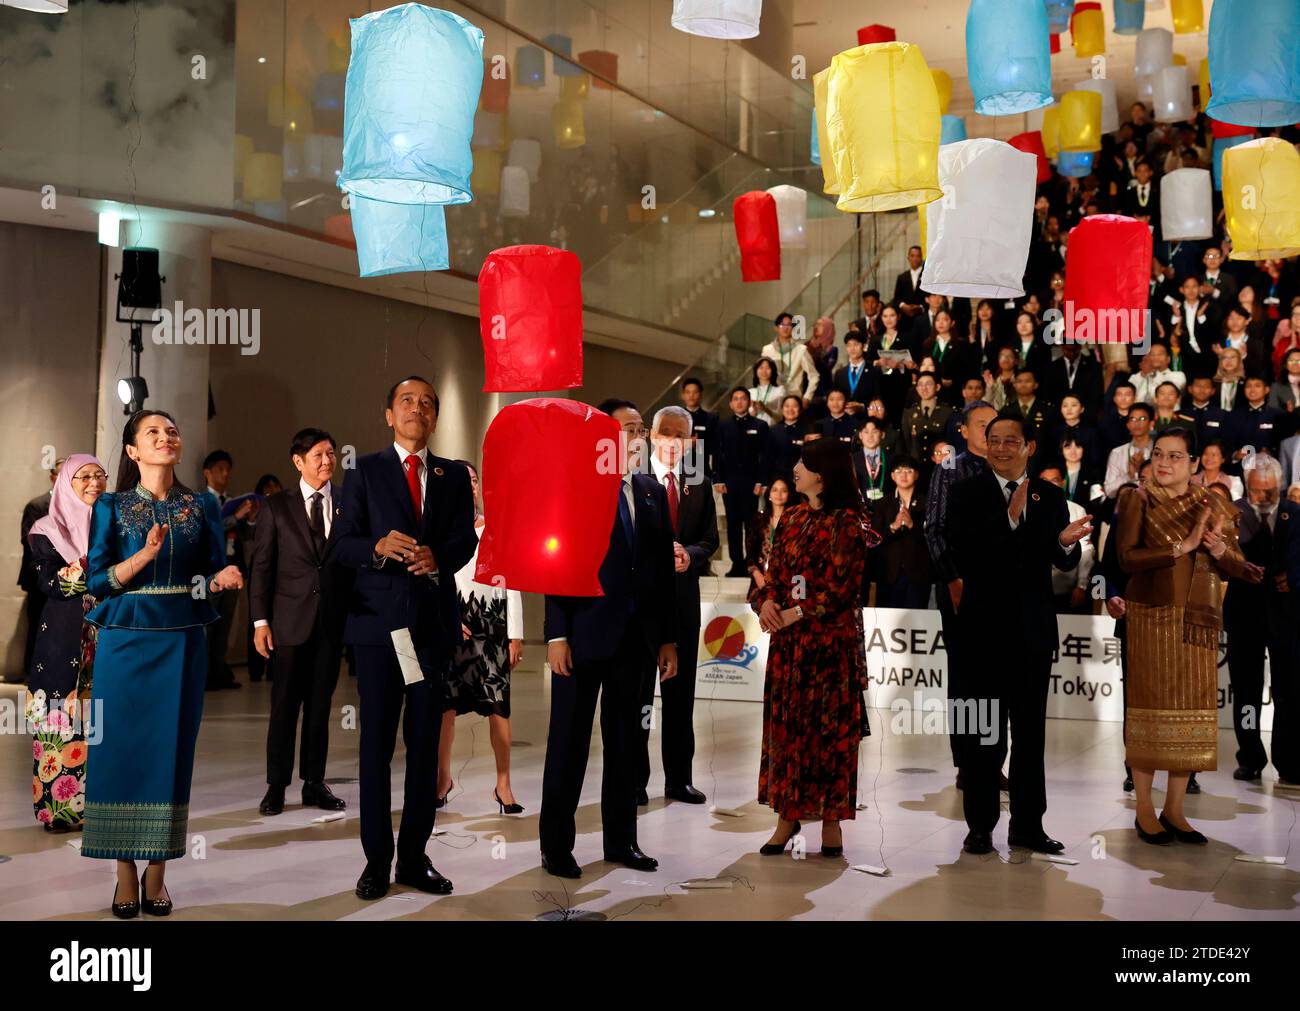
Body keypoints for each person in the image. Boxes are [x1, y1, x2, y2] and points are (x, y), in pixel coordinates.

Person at [83, 410, 244, 917]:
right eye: (152, 432)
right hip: (125, 638)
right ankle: (123, 872)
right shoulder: (111, 505)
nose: (165, 437)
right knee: (119, 753)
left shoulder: (201, 506)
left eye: (172, 430)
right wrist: (141, 560)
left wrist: (224, 576)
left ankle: (157, 872)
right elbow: (95, 581)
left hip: (181, 641)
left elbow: (213, 568)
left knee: (170, 752)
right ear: (132, 451)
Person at [333, 376, 477, 901]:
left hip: (431, 631)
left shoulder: (453, 475)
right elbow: (341, 544)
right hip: (380, 629)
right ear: (389, 415)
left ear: (435, 417)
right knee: (375, 748)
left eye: (427, 403)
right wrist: (377, 547)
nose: (418, 408)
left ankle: (414, 857)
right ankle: (377, 859)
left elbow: (464, 539)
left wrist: (439, 555)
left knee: (423, 747)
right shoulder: (365, 471)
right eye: (407, 401)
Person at [542, 401, 677, 878]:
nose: (636, 436)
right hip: (581, 638)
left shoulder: (649, 491)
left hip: (636, 643)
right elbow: (555, 564)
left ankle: (622, 841)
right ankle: (556, 847)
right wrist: (556, 633)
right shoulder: (574, 487)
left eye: (641, 429)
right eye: (628, 428)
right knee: (569, 745)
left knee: (626, 745)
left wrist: (666, 639)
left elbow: (661, 573)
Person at [947, 414, 1091, 855]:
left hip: (1032, 633)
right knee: (983, 734)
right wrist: (1009, 519)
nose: (1002, 448)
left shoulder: (1050, 496)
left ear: (1029, 446)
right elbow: (965, 554)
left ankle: (1028, 825)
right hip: (981, 633)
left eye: (1012, 441)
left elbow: (1063, 564)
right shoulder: (964, 493)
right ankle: (980, 825)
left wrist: (1065, 542)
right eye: (995, 440)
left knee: (1030, 737)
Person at [1117, 426, 1261, 845]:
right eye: (1159, 454)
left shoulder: (1214, 503)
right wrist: (1182, 547)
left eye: (1175, 456)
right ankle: (1144, 809)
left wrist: (1215, 549)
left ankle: (1175, 810)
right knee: (1150, 712)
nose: (1163, 463)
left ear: (1195, 463)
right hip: (1150, 616)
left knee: (1190, 714)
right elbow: (1126, 559)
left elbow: (1236, 564)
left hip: (1199, 620)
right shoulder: (1136, 498)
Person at [751, 438, 879, 858]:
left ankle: (831, 821)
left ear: (822, 473)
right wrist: (767, 602)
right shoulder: (789, 518)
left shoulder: (848, 522)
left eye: (803, 464)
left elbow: (842, 589)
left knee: (830, 736)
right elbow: (774, 574)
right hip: (789, 649)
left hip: (829, 649)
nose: (795, 469)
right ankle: (786, 817)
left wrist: (795, 613)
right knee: (789, 733)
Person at [250, 429, 353, 817]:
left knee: (320, 706)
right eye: (319, 455)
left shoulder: (346, 502)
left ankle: (314, 783)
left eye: (331, 454)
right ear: (298, 461)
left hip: (330, 625)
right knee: (284, 708)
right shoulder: (276, 507)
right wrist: (260, 621)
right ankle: (276, 785)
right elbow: (261, 569)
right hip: (288, 625)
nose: (327, 461)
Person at [637, 406, 719, 805]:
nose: (672, 441)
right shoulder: (633, 476)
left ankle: (679, 779)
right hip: (640, 601)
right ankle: (635, 781)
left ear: (690, 441)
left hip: (683, 600)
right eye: (665, 433)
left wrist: (689, 554)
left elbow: (710, 539)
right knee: (638, 696)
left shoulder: (699, 477)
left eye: (680, 435)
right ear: (652, 435)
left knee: (680, 695)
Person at [437, 460, 525, 813]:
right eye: (463, 479)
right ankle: (443, 778)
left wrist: (516, 633)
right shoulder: (440, 527)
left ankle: (503, 784)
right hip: (454, 621)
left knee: (498, 708)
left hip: (493, 625)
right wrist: (446, 618)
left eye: (473, 479)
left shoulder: (497, 527)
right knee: (446, 708)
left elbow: (513, 579)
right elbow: (436, 577)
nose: (469, 485)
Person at [26, 455, 106, 831]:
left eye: (99, 475)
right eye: (84, 476)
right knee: (59, 721)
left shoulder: (113, 523)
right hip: (62, 636)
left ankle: (102, 809)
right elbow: (54, 584)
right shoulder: (46, 529)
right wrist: (100, 568)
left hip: (107, 634)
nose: (94, 483)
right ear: (65, 482)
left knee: (101, 721)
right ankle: (58, 812)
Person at [925, 401, 998, 788]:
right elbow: (933, 529)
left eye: (995, 424)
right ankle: (968, 763)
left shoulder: (1009, 468)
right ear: (964, 432)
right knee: (967, 679)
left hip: (1001, 592)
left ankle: (991, 759)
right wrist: (953, 581)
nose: (990, 432)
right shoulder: (950, 468)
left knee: (997, 679)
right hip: (960, 589)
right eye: (982, 425)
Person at [1224, 454, 1290, 782]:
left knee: (1289, 691)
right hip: (1244, 614)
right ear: (1247, 487)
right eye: (1256, 491)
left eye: (1270, 491)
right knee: (1247, 694)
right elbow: (1220, 556)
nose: (1263, 498)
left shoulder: (1296, 515)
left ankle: (1290, 760)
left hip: (1288, 616)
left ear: (1279, 486)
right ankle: (1249, 756)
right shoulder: (1232, 513)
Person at [202, 449, 248, 691]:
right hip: (209, 573)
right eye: (220, 468)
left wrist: (248, 520)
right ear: (207, 472)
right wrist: (235, 518)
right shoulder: (201, 501)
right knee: (208, 624)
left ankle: (219, 671)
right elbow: (210, 530)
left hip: (232, 570)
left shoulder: (232, 502)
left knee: (225, 626)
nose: (225, 473)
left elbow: (242, 537)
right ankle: (205, 674)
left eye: (228, 468)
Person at [714, 387, 770, 578]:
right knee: (733, 524)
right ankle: (736, 564)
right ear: (730, 403)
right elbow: (718, 455)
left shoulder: (760, 425)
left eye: (743, 398)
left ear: (749, 402)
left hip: (751, 484)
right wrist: (718, 479)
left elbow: (765, 456)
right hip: (729, 483)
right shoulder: (723, 426)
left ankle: (752, 564)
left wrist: (761, 481)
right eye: (735, 399)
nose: (739, 402)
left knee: (751, 526)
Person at [18, 461, 60, 684]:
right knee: (35, 625)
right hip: (39, 577)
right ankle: (30, 673)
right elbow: (30, 541)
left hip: (66, 579)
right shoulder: (37, 505)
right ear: (52, 477)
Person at [870, 454, 931, 608]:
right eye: (899, 471)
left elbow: (933, 539)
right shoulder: (882, 504)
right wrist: (893, 527)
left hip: (919, 574)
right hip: (889, 574)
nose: (903, 475)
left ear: (916, 475)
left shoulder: (928, 503)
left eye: (909, 471)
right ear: (892, 476)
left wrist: (912, 525)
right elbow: (873, 540)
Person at [1039, 465, 1096, 614]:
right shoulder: (1027, 507)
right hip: (1034, 589)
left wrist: (1081, 585)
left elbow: (1086, 549)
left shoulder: (1077, 509)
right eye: (1045, 480)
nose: (1050, 485)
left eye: (1055, 480)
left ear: (1063, 482)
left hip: (1066, 589)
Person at [746, 478, 795, 595]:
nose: (779, 494)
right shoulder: (759, 519)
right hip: (760, 579)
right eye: (775, 490)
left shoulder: (794, 520)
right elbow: (750, 551)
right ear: (769, 494)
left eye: (783, 491)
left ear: (789, 494)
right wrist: (757, 575)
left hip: (786, 582)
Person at [760, 312, 819, 406]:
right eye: (782, 324)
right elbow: (761, 374)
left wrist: (807, 397)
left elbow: (814, 375)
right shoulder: (767, 350)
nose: (785, 328)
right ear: (776, 328)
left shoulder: (801, 349)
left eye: (789, 325)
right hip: (772, 399)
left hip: (794, 400)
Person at [1104, 403, 1155, 499]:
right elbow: (1109, 491)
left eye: (1142, 419)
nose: (1137, 423)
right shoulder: (1117, 453)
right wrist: (1128, 476)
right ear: (1128, 425)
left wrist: (1143, 471)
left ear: (1151, 424)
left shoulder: (1160, 452)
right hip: (1125, 507)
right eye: (1133, 419)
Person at [900, 373, 952, 466]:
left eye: (928, 384)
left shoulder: (947, 412)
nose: (924, 388)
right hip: (916, 465)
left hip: (940, 465)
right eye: (920, 385)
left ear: (937, 387)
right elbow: (907, 442)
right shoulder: (909, 412)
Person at [1043, 343, 1104, 420]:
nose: (1071, 353)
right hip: (1058, 417)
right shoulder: (1052, 367)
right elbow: (1048, 394)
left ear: (1080, 347)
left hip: (1086, 417)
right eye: (1068, 350)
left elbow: (1096, 393)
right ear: (1062, 347)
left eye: (1074, 350)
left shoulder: (1093, 366)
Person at [680, 377, 718, 479]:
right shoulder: (675, 417)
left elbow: (715, 445)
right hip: (680, 467)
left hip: (703, 468)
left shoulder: (710, 418)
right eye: (688, 392)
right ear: (683, 395)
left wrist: (699, 443)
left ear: (701, 395)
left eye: (695, 392)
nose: (691, 396)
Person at [768, 394, 808, 489]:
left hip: (801, 478)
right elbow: (768, 457)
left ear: (801, 409)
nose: (790, 409)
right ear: (782, 409)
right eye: (787, 406)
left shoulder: (807, 430)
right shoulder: (773, 430)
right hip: (777, 478)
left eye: (794, 406)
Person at [833, 331, 875, 418]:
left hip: (866, 419)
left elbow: (878, 399)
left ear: (863, 346)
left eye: (856, 344)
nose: (852, 349)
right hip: (845, 419)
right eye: (849, 345)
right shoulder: (840, 373)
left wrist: (862, 407)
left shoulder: (874, 371)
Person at [748, 356, 785, 425]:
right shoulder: (750, 392)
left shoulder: (780, 390)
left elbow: (780, 417)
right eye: (761, 368)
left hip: (771, 430)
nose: (764, 371)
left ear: (773, 370)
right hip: (753, 430)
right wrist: (754, 411)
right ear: (756, 371)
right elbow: (746, 419)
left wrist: (765, 408)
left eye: (767, 368)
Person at [893, 245, 927, 317]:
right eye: (912, 256)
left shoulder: (927, 276)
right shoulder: (902, 277)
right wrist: (903, 306)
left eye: (918, 256)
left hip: (923, 317)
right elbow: (896, 299)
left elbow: (930, 297)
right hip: (905, 318)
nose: (915, 258)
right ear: (908, 258)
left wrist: (920, 307)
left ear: (921, 258)